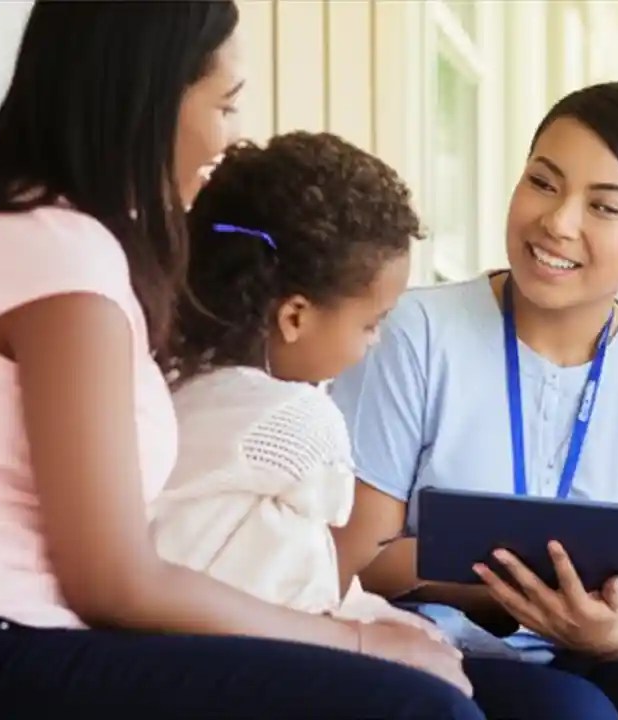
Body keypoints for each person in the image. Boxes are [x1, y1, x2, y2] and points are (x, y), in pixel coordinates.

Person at [0, 3, 479, 718]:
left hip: (5, 639)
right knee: (416, 706)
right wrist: (353, 643)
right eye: (225, 104)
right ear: (149, 97)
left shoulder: (38, 235)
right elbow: (114, 581)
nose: (230, 137)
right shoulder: (55, 258)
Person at [329, 80, 618, 720]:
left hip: (584, 650)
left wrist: (602, 630)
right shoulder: (414, 332)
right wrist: (505, 579)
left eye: (605, 207)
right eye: (543, 182)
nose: (557, 222)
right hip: (429, 635)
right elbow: (356, 560)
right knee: (570, 712)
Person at [152, 130, 445, 635]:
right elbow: (326, 576)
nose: (374, 342)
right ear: (294, 317)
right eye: (371, 323)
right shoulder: (300, 419)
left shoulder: (168, 383)